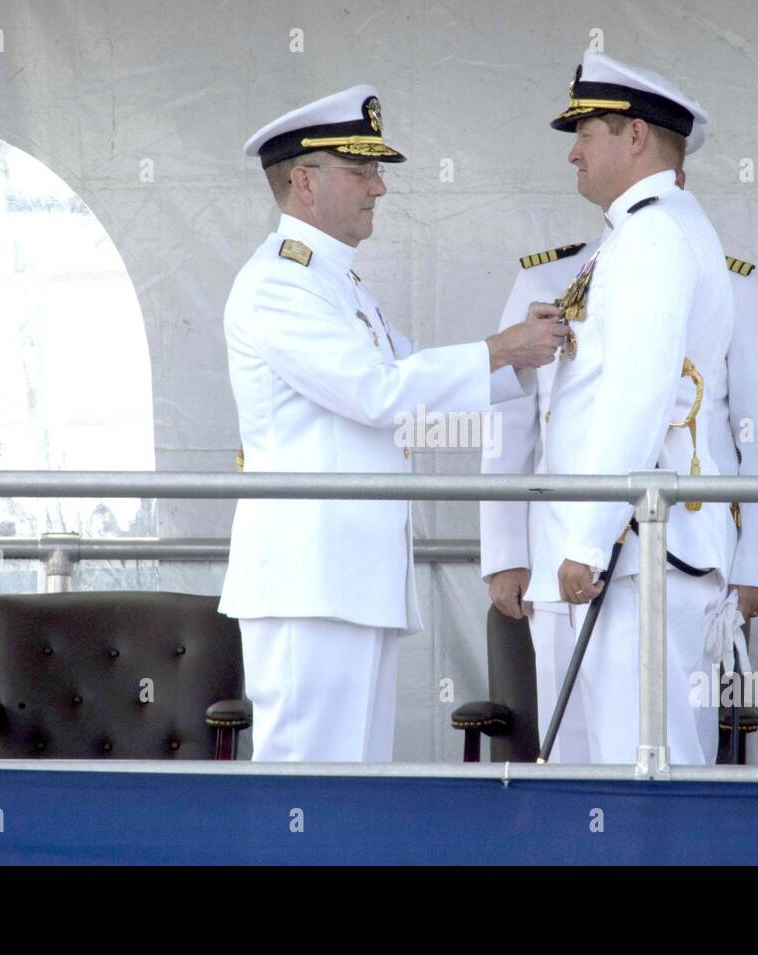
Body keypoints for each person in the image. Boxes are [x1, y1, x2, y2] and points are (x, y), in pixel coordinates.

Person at [220, 84, 567, 761]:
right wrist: (501, 349)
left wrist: (521, 356)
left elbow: (410, 370)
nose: (378, 188)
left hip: (348, 578)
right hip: (309, 582)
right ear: (304, 182)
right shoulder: (279, 284)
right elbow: (379, 394)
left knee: (353, 785)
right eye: (362, 171)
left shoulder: (337, 283)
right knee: (308, 782)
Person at [498, 51, 736, 765]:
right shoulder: (636, 233)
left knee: (641, 773)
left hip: (632, 555)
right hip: (622, 556)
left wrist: (589, 538)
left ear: (634, 136)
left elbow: (638, 394)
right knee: (594, 776)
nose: (573, 152)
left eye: (587, 133)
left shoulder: (654, 234)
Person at [483, 238, 758, 763]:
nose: (578, 153)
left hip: (677, 552)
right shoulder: (549, 278)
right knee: (568, 748)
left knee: (669, 743)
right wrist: (505, 551)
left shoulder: (725, 280)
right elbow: (508, 428)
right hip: (556, 547)